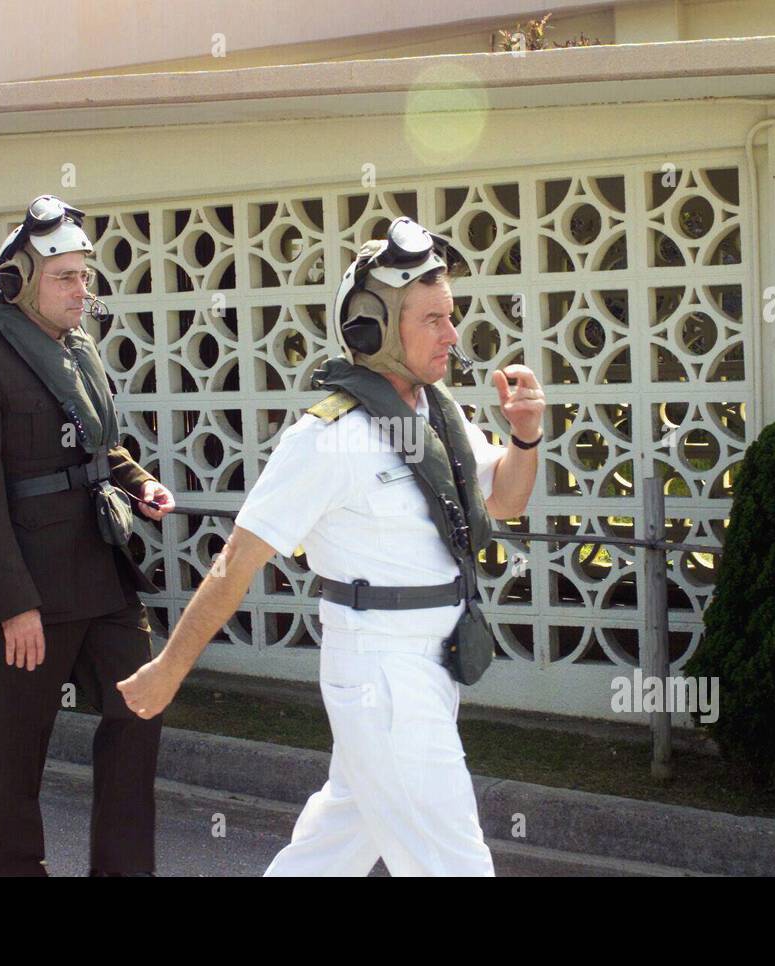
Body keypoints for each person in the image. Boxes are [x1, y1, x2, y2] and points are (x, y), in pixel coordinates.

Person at [118, 217, 545, 876]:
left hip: (427, 667)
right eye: (433, 319)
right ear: (373, 329)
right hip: (382, 674)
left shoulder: (438, 416)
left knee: (332, 849)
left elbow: (505, 501)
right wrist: (170, 668)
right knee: (454, 862)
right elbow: (235, 563)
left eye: (451, 317)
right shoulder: (325, 440)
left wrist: (525, 436)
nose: (452, 335)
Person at [0, 195, 175, 876]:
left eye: (83, 276)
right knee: (16, 754)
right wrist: (14, 605)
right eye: (65, 277)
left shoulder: (77, 352)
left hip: (102, 575)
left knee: (140, 707)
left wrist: (139, 483)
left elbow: (99, 445)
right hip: (30, 592)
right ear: (18, 283)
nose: (81, 290)